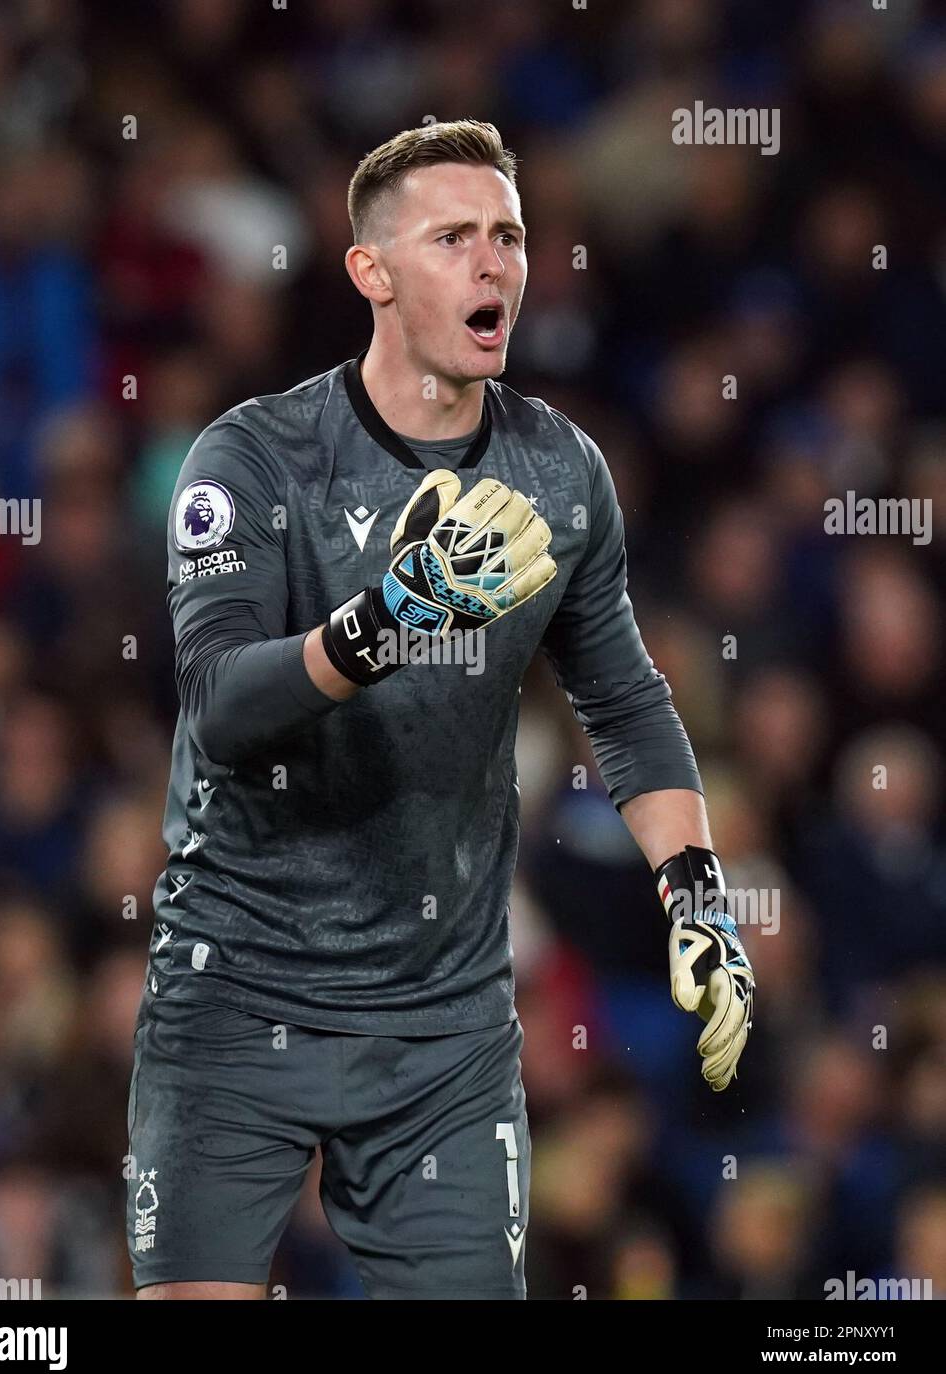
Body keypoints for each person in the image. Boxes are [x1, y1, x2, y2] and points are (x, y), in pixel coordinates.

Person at [125, 119, 754, 1301]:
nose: (494, 264)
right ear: (371, 272)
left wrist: (698, 890)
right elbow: (219, 705)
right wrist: (386, 619)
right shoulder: (253, 460)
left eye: (509, 236)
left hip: (444, 1019)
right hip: (238, 985)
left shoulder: (561, 473)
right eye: (454, 236)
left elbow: (622, 701)